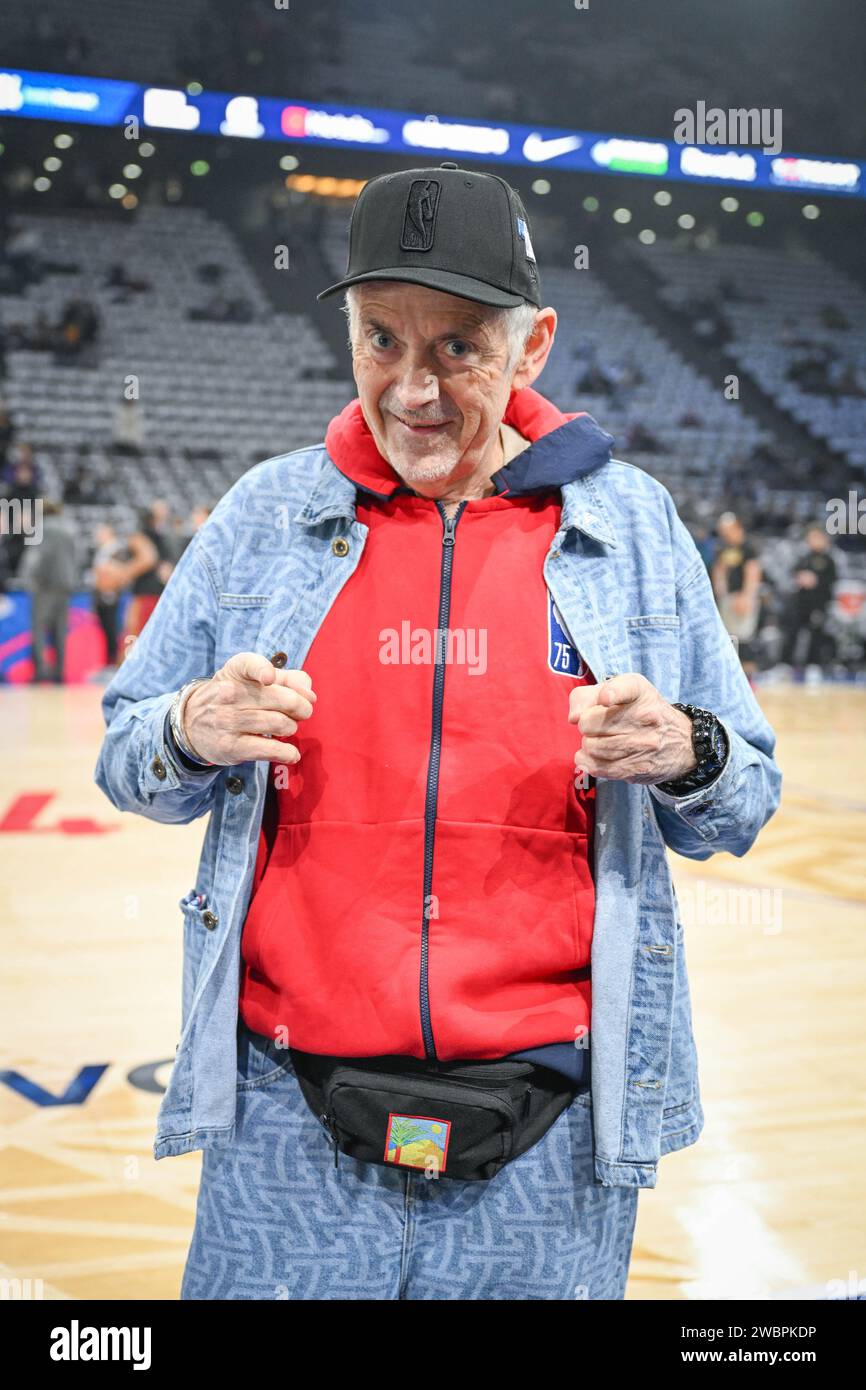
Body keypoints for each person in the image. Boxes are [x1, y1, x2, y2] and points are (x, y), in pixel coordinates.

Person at [94, 162, 781, 1301]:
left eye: (455, 346)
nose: (409, 387)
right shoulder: (266, 517)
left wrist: (686, 752)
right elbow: (129, 759)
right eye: (378, 340)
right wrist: (189, 725)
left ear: (534, 344)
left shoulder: (631, 526)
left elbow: (742, 798)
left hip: (552, 1129)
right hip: (283, 1127)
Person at [19, 499, 79, 682]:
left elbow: (35, 557)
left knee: (39, 629)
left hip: (45, 586)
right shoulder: (71, 529)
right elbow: (80, 557)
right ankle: (59, 672)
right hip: (66, 586)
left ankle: (41, 671)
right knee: (60, 630)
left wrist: (26, 579)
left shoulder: (42, 529)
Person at [778, 524, 838, 674]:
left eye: (816, 538)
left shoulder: (829, 560)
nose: (812, 541)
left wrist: (815, 580)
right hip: (800, 603)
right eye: (810, 538)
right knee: (792, 632)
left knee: (816, 635)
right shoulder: (804, 558)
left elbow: (831, 580)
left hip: (818, 603)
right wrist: (800, 578)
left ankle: (814, 665)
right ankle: (785, 664)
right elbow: (793, 572)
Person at [711, 511, 762, 674]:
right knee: (730, 639)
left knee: (743, 639)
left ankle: (749, 680)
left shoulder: (748, 547)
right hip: (728, 598)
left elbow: (753, 572)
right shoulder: (723, 548)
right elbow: (719, 571)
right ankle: (733, 677)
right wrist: (722, 594)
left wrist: (747, 597)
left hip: (742, 597)